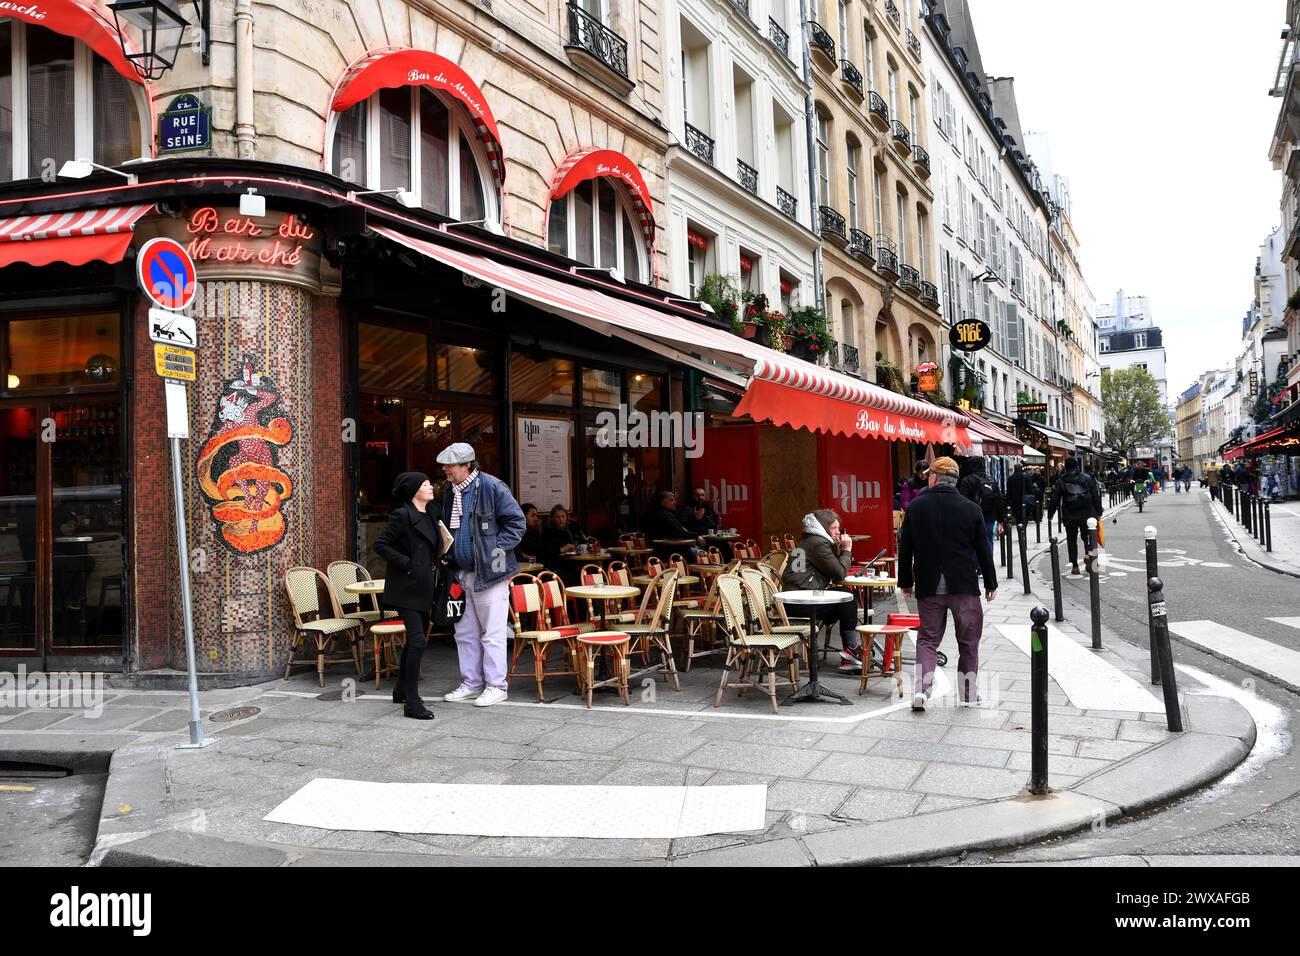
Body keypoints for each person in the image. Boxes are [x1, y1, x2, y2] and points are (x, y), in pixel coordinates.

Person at [898, 456, 998, 710]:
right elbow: (983, 549)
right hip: (963, 585)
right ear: (955, 480)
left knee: (928, 639)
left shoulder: (916, 508)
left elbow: (905, 548)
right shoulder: (971, 509)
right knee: (969, 640)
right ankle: (968, 694)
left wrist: (905, 582)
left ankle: (922, 689)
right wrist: (990, 583)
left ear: (932, 477)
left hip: (929, 584)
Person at [438, 443, 526, 708]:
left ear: (467, 465)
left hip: (490, 573)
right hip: (460, 572)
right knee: (464, 632)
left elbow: (516, 523)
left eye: (450, 466)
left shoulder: (492, 487)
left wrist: (493, 552)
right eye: (445, 465)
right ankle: (472, 683)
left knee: (492, 633)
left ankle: (497, 686)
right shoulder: (450, 491)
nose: (445, 470)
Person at [375, 472, 444, 720]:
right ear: (414, 490)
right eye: (426, 484)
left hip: (426, 586)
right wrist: (408, 563)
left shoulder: (433, 512)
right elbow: (381, 544)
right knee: (417, 641)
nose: (431, 487)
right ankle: (412, 703)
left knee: (416, 640)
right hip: (406, 588)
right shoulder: (402, 515)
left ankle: (401, 690)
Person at [781, 509, 864, 670]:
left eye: (838, 528)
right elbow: (839, 572)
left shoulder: (811, 540)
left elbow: (832, 571)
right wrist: (847, 549)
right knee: (847, 599)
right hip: (799, 604)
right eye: (834, 528)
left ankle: (852, 651)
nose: (838, 532)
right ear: (822, 527)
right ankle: (852, 650)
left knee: (845, 598)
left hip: (798, 598)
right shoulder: (818, 543)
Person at [1048, 457, 1103, 576]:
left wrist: (1050, 514)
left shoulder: (1061, 480)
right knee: (1088, 537)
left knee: (1071, 540)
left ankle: (1075, 566)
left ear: (1066, 467)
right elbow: (1095, 495)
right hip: (1086, 513)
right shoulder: (1087, 478)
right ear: (1077, 466)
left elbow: (1055, 498)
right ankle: (1089, 555)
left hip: (1070, 514)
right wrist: (1099, 511)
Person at [957, 456, 1005, 553]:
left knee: (974, 541)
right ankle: (988, 563)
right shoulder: (991, 479)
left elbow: (962, 501)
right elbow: (999, 500)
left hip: (972, 516)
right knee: (988, 539)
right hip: (990, 516)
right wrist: (1001, 519)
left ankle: (977, 566)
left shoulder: (967, 481)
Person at [644, 491, 703, 558]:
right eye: (671, 500)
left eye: (675, 500)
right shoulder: (664, 515)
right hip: (668, 551)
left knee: (701, 551)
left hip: (668, 549)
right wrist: (696, 536)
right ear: (663, 502)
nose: (675, 502)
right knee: (703, 554)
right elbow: (678, 532)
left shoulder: (665, 513)